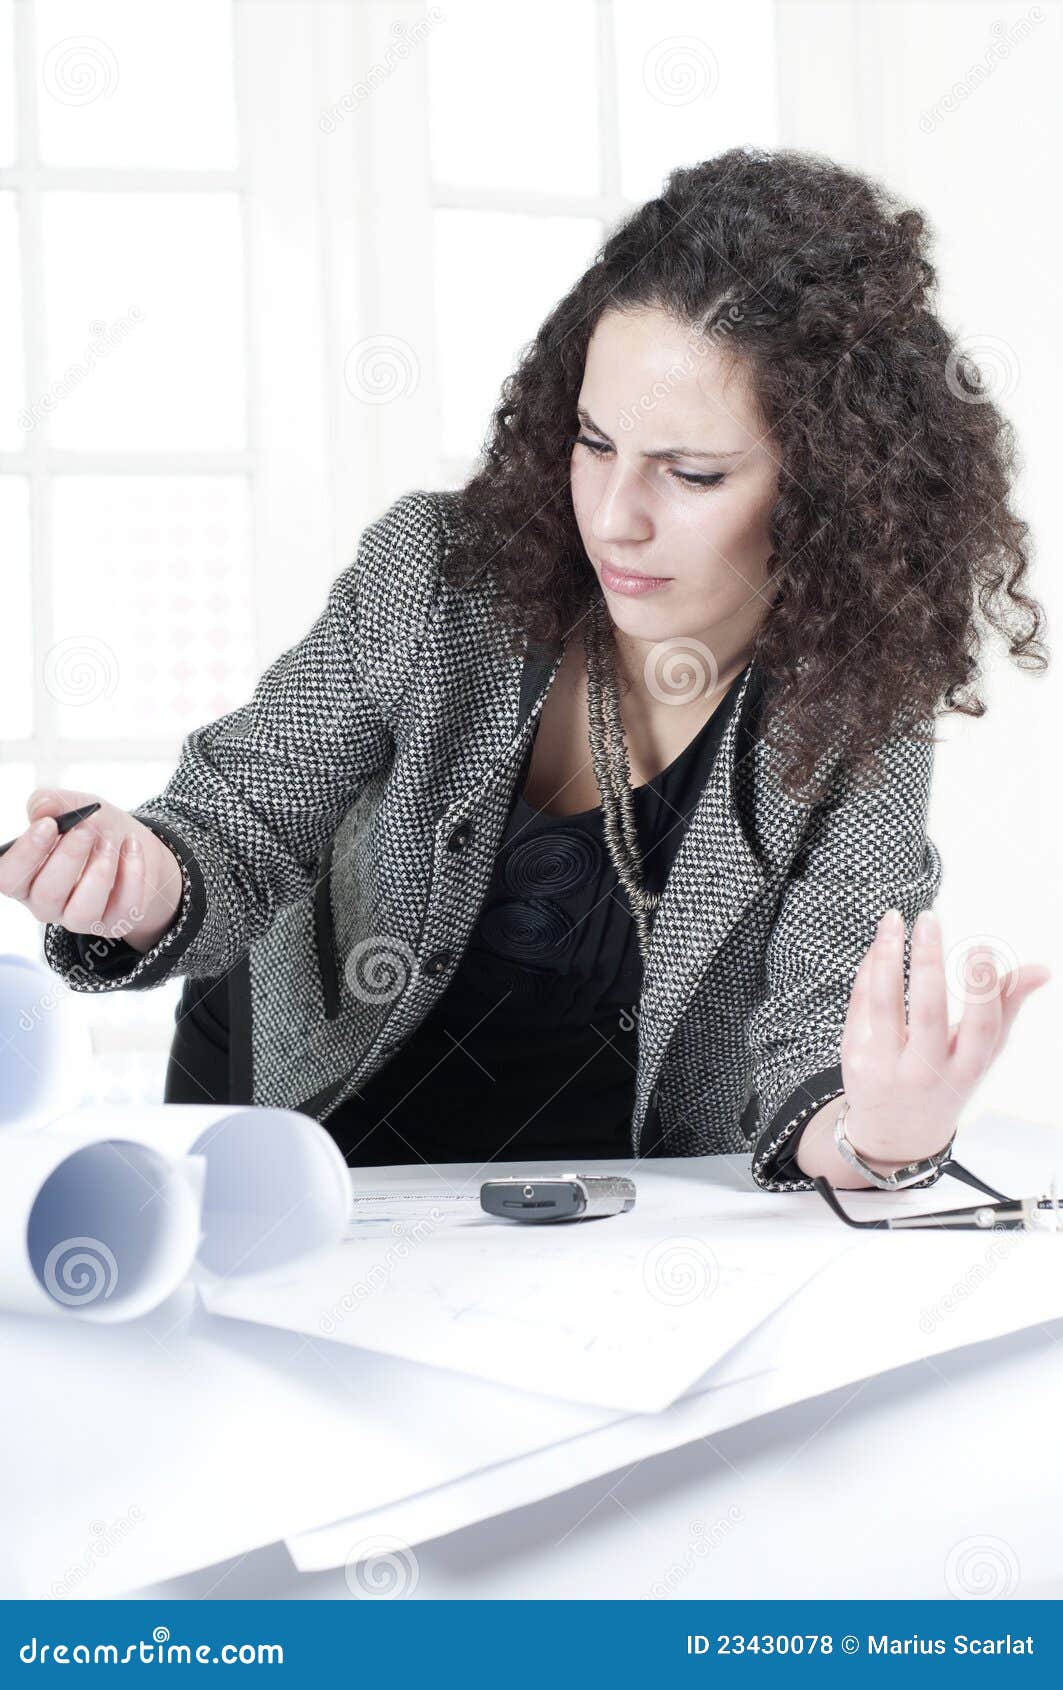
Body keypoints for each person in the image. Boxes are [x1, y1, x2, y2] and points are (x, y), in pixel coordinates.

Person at [1, 147, 1051, 1192]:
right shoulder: (437, 576)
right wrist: (138, 881)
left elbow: (815, 1051)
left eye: (690, 473)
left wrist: (883, 1133)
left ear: (827, 485)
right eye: (594, 443)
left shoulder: (857, 698)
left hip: (595, 1224)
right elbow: (236, 828)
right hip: (310, 1154)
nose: (615, 517)